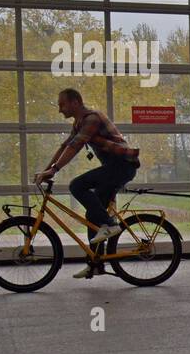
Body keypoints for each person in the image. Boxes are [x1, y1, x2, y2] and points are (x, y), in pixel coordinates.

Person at [34, 89, 141, 279]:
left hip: (122, 166)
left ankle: (109, 224)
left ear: (75, 102)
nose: (60, 109)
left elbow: (75, 147)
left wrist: (54, 169)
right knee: (93, 215)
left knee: (77, 185)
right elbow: (65, 146)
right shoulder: (79, 122)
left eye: (62, 104)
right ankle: (96, 265)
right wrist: (47, 170)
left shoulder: (92, 118)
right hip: (114, 167)